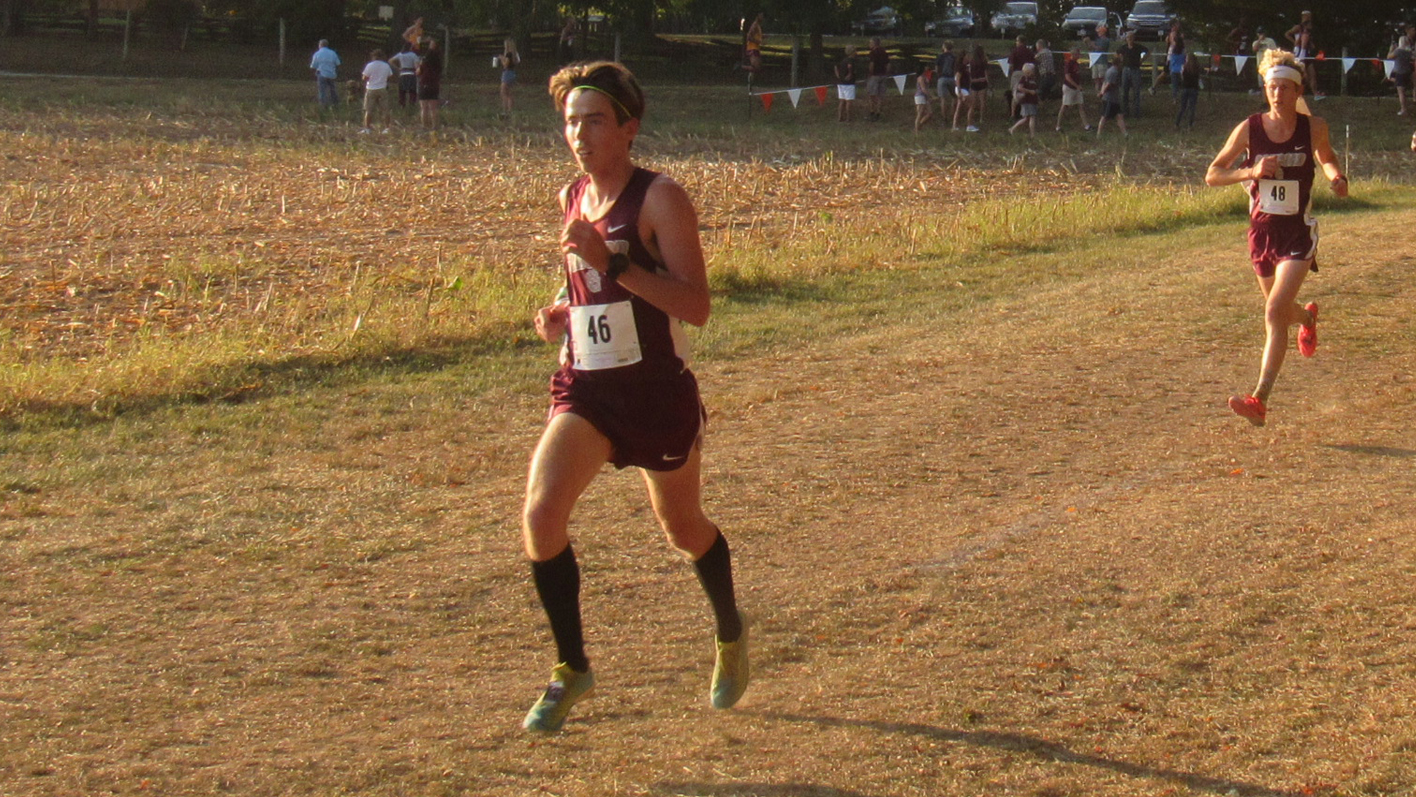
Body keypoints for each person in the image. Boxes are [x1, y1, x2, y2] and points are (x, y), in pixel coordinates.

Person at [520, 60, 749, 734]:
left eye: (593, 120)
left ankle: (731, 630)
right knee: (541, 514)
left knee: (682, 528)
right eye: (570, 121)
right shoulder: (572, 197)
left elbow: (696, 306)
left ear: (629, 127)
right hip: (588, 386)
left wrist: (612, 261)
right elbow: (586, 286)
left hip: (654, 392)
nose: (579, 134)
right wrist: (560, 309)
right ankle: (572, 668)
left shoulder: (659, 199)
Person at [1204, 49, 1348, 427]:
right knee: (1282, 313)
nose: (1277, 94)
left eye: (1285, 88)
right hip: (1262, 233)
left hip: (1298, 233)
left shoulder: (1313, 127)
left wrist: (1336, 177)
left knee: (1271, 312)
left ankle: (1259, 399)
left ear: (1297, 89)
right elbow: (1213, 174)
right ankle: (1308, 320)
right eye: (1271, 87)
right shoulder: (1249, 128)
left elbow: (1327, 156)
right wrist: (1250, 171)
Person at [1286, 12, 1323, 99]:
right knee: (1301, 75)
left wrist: (1311, 44)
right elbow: (1287, 34)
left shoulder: (1309, 29)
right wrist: (1294, 42)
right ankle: (1296, 94)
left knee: (1312, 74)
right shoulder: (1298, 27)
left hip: (1307, 53)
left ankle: (1315, 94)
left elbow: (1311, 44)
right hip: (1299, 52)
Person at [1057, 45, 1091, 132]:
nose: (1079, 56)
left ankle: (1086, 126)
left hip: (1077, 88)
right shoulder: (1069, 63)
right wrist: (1076, 86)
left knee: (1080, 105)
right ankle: (1058, 126)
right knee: (1064, 106)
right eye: (1078, 54)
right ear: (1074, 54)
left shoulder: (1076, 63)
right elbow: (1068, 77)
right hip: (1069, 87)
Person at [359, 49, 394, 133]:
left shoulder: (370, 65)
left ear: (373, 56)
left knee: (369, 110)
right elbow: (390, 76)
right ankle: (387, 128)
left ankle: (367, 128)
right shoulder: (386, 65)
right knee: (385, 110)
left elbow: (364, 77)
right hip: (382, 88)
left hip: (371, 89)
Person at [1116, 30, 1147, 118]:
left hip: (1135, 69)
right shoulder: (1124, 48)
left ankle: (1136, 112)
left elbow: (1147, 52)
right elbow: (1117, 53)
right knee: (1124, 91)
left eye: (1131, 38)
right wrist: (1121, 60)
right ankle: (1126, 111)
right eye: (1128, 38)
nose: (1130, 39)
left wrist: (1142, 60)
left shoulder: (1138, 47)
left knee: (1136, 91)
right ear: (1126, 39)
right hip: (1126, 69)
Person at [1096, 52, 1127, 137]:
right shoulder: (1113, 72)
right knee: (1104, 116)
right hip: (1109, 98)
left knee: (1119, 116)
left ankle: (1125, 134)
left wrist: (1101, 92)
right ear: (1118, 63)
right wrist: (1102, 93)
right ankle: (1098, 134)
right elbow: (1108, 84)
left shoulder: (1111, 70)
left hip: (1114, 99)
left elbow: (1104, 82)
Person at [416, 37, 443, 130]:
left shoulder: (424, 62)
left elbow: (418, 72)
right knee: (433, 108)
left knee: (424, 108)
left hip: (424, 84)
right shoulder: (438, 63)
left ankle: (424, 126)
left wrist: (418, 65)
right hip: (434, 85)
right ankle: (435, 126)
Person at [1006, 36, 1034, 120]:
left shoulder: (1015, 51)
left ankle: (1013, 114)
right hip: (1028, 73)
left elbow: (1011, 65)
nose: (1016, 43)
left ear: (1019, 41)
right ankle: (1024, 113)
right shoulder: (1029, 51)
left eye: (1017, 41)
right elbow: (1033, 63)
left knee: (1015, 93)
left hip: (1017, 73)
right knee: (1025, 93)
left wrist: (1010, 74)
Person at [1009, 62, 1038, 136]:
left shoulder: (1033, 79)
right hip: (1027, 101)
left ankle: (1012, 128)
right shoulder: (1024, 78)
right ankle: (1032, 134)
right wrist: (1029, 91)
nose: (1033, 71)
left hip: (1033, 101)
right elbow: (1020, 87)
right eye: (1032, 70)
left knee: (1026, 118)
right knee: (1032, 117)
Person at [310, 39, 341, 110]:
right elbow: (338, 63)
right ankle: (335, 104)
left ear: (320, 45)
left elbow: (313, 66)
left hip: (322, 74)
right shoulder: (333, 53)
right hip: (332, 74)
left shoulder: (317, 54)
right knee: (333, 90)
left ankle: (323, 106)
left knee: (322, 91)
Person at [390, 43, 421, 112]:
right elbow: (416, 67)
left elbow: (391, 60)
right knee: (412, 91)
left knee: (402, 92)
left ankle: (402, 106)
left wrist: (398, 68)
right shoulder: (413, 55)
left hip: (402, 74)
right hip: (411, 74)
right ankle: (412, 106)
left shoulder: (400, 54)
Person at [866, 37, 891, 122]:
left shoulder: (873, 53)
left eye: (870, 43)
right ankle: (878, 112)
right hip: (883, 75)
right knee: (880, 95)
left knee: (871, 95)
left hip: (875, 75)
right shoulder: (884, 52)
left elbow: (872, 64)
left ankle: (872, 112)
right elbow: (888, 64)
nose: (869, 44)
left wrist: (870, 73)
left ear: (874, 44)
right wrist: (886, 73)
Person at [1388, 31, 1413, 116]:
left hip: (1399, 72)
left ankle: (1403, 109)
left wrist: (1391, 49)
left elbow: (1389, 57)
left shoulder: (1398, 51)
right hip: (1407, 72)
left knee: (1401, 92)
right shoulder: (1408, 52)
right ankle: (1405, 108)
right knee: (1403, 90)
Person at [967, 43, 990, 129]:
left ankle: (971, 117)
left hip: (974, 82)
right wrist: (988, 82)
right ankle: (981, 118)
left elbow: (969, 72)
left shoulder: (971, 62)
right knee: (982, 101)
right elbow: (986, 73)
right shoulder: (984, 61)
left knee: (973, 102)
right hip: (982, 81)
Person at [1175, 52, 1200, 129]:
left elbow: (1182, 78)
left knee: (1182, 107)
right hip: (1194, 89)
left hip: (1185, 88)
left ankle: (1177, 123)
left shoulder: (1184, 67)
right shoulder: (1196, 68)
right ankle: (1190, 125)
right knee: (1192, 108)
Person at [1251, 27, 1278, 94]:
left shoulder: (1270, 41)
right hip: (1260, 66)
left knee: (1270, 83)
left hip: (1270, 65)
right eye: (1259, 33)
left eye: (1262, 33)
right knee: (1262, 85)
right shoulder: (1255, 42)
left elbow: (1275, 51)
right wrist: (1259, 40)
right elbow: (1254, 49)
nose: (1261, 34)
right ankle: (1264, 101)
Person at [499, 38, 521, 117]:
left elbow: (506, 65)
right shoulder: (515, 54)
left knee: (504, 92)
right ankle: (510, 110)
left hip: (507, 73)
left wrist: (502, 59)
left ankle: (505, 110)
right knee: (509, 93)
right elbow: (517, 62)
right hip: (512, 73)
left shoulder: (509, 54)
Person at [935, 41, 956, 122]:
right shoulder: (954, 57)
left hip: (942, 78)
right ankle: (953, 114)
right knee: (955, 97)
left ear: (944, 47)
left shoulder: (940, 56)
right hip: (952, 78)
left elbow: (937, 68)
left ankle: (944, 118)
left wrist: (939, 75)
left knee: (943, 99)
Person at [836, 46, 858, 122]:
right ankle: (848, 118)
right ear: (853, 52)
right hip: (849, 83)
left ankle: (840, 117)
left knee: (842, 100)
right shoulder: (851, 60)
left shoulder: (843, 60)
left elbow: (836, 67)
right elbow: (850, 66)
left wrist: (838, 76)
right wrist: (850, 73)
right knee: (849, 101)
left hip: (841, 83)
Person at [1088, 25, 1112, 93]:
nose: (1098, 33)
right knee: (1095, 77)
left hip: (1102, 61)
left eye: (1099, 32)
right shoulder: (1097, 40)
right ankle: (1097, 91)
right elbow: (1091, 48)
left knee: (1102, 77)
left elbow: (1100, 48)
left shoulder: (1106, 40)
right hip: (1095, 61)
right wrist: (1088, 43)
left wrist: (1092, 44)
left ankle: (1103, 91)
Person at [914, 63, 935, 133]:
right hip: (920, 96)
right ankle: (917, 130)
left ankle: (919, 125)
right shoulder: (920, 78)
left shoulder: (924, 77)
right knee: (920, 113)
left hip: (924, 96)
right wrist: (931, 96)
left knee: (930, 113)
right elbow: (923, 89)